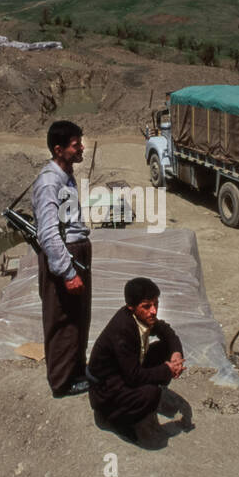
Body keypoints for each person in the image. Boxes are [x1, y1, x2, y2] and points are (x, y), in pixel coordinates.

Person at [87, 277, 186, 448]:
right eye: (147, 306)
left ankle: (136, 404)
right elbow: (133, 376)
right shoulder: (123, 329)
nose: (153, 311)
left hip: (124, 372)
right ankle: (115, 419)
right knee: (151, 393)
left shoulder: (142, 318)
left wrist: (176, 354)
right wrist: (166, 370)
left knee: (164, 348)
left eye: (156, 304)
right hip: (106, 390)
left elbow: (167, 333)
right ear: (131, 307)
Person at [33, 120, 92, 398]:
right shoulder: (49, 181)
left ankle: (77, 370)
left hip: (76, 252)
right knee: (62, 320)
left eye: (80, 142)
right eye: (75, 144)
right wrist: (68, 273)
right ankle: (62, 381)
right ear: (58, 149)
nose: (81, 148)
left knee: (78, 317)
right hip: (64, 257)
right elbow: (47, 233)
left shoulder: (66, 174)